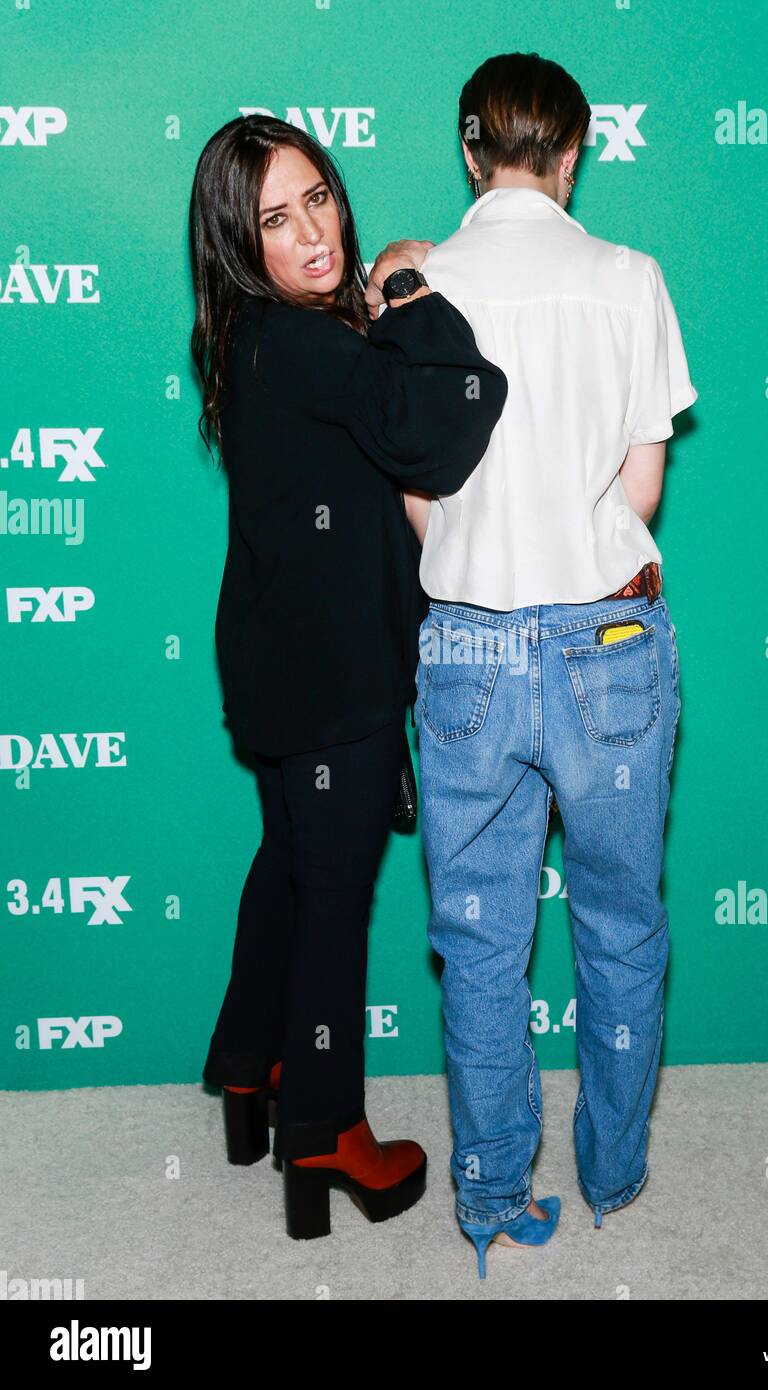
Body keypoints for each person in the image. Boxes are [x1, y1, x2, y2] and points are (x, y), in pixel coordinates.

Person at [403, 52, 698, 1277]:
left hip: (468, 642)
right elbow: (641, 490)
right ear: (573, 152)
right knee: (621, 925)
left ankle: (488, 1194)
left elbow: (420, 502)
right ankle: (614, 1174)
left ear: (472, 151)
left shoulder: (417, 288)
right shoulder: (630, 281)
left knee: (478, 939)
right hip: (607, 645)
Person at [188, 114, 507, 1239]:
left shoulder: (253, 336)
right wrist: (413, 292)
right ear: (239, 241)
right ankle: (321, 1128)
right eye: (276, 218)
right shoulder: (315, 341)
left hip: (275, 658)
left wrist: (368, 315)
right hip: (332, 674)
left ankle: (246, 1061)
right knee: (333, 904)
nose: (315, 231)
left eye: (318, 197)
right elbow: (451, 424)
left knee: (286, 865)